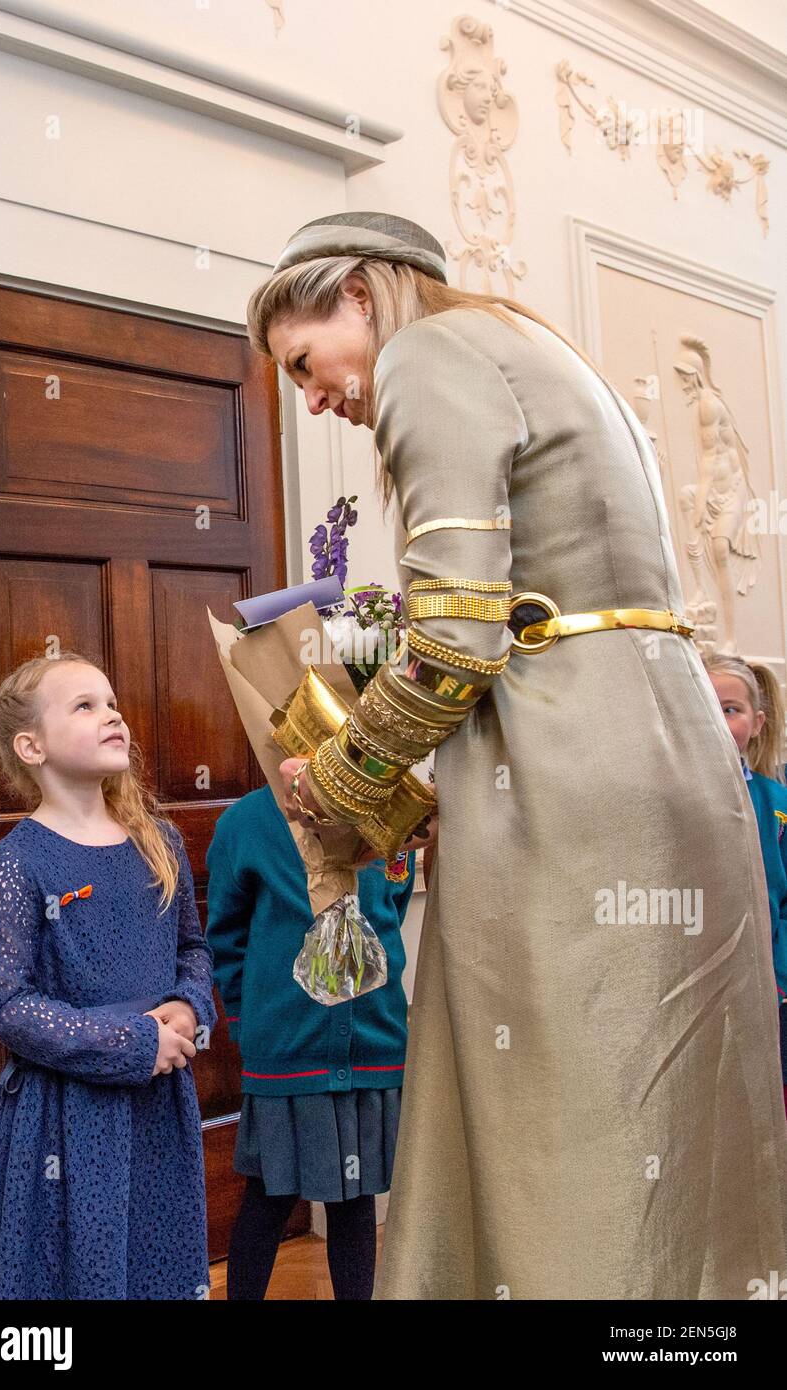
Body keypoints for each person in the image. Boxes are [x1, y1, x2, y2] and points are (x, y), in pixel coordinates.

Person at [245, 210, 787, 1298]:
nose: (313, 397)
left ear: (356, 290)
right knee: (669, 1097)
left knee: (562, 1105)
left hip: (564, 773)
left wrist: (345, 783)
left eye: (304, 362)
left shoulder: (424, 355)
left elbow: (453, 636)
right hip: (665, 748)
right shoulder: (537, 348)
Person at [0, 651, 216, 1300]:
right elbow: (9, 1007)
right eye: (85, 706)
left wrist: (189, 1010)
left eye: (111, 703)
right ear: (32, 745)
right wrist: (136, 1042)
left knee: (156, 1267)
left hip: (159, 1107)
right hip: (66, 1117)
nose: (112, 716)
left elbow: (192, 947)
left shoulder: (159, 842)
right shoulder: (16, 864)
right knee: (78, 1278)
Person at [205, 782, 414, 1299]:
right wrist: (246, 1022)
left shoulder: (393, 816)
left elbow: (392, 909)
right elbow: (225, 938)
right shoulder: (245, 824)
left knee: (355, 1198)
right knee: (269, 1195)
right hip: (285, 1050)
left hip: (372, 1046)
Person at [705, 653, 787, 1115]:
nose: (715, 721)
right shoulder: (666, 799)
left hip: (769, 989)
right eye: (704, 705)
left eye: (730, 710)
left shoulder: (777, 804)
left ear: (757, 723)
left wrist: (780, 976)